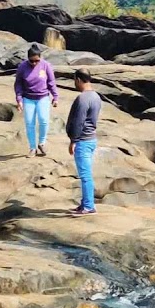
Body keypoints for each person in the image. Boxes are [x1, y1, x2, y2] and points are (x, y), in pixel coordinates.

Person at [66, 69, 102, 215]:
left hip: (83, 141)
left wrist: (73, 140)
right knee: (86, 173)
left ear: (79, 80)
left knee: (85, 175)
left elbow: (78, 122)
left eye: (75, 80)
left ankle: (88, 206)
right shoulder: (96, 96)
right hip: (91, 138)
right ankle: (84, 204)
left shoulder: (83, 99)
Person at [14, 44, 58, 157]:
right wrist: (19, 99)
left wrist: (55, 96)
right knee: (29, 123)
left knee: (44, 121)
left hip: (43, 97)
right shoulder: (22, 67)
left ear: (40, 58)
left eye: (36, 61)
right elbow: (18, 83)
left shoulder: (46, 65)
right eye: (31, 61)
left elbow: (51, 82)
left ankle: (42, 143)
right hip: (28, 98)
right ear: (28, 58)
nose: (34, 63)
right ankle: (32, 147)